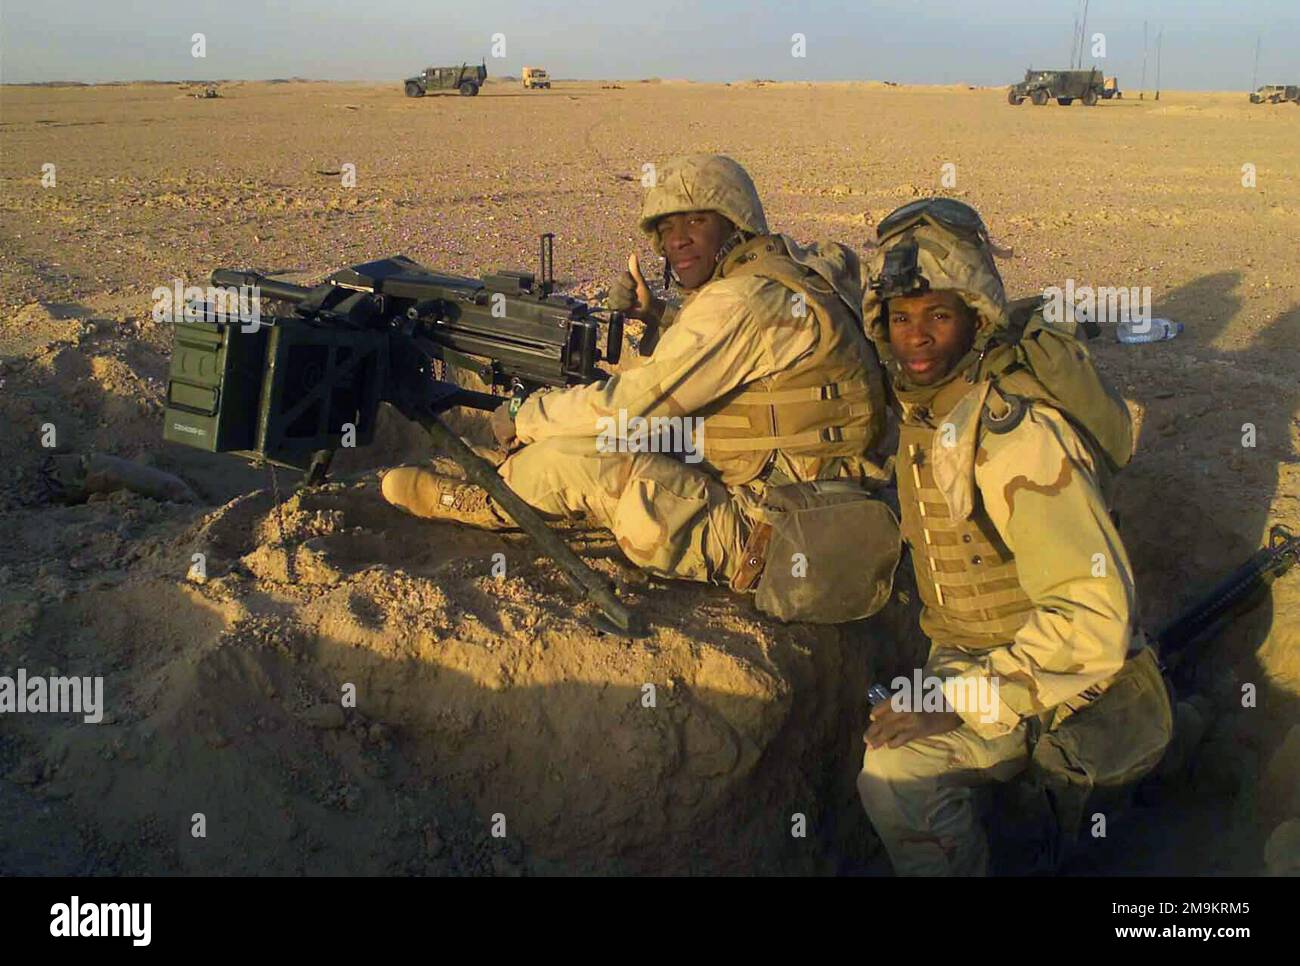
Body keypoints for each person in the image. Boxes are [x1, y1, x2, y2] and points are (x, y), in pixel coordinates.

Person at [381, 154, 888, 587]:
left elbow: (631, 407)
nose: (677, 241)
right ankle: (512, 472)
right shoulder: (792, 275)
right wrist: (658, 316)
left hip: (776, 531)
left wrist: (526, 414)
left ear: (735, 224)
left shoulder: (742, 300)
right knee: (607, 437)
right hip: (819, 499)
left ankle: (472, 501)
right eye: (667, 229)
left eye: (695, 222)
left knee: (571, 458)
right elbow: (738, 362)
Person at [855, 198, 1172, 875]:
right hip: (975, 658)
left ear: (978, 320)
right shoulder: (927, 407)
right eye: (901, 318)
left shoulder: (1014, 438)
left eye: (939, 316)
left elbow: (1093, 620)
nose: (916, 337)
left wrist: (955, 700)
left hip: (1060, 684)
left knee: (893, 777)